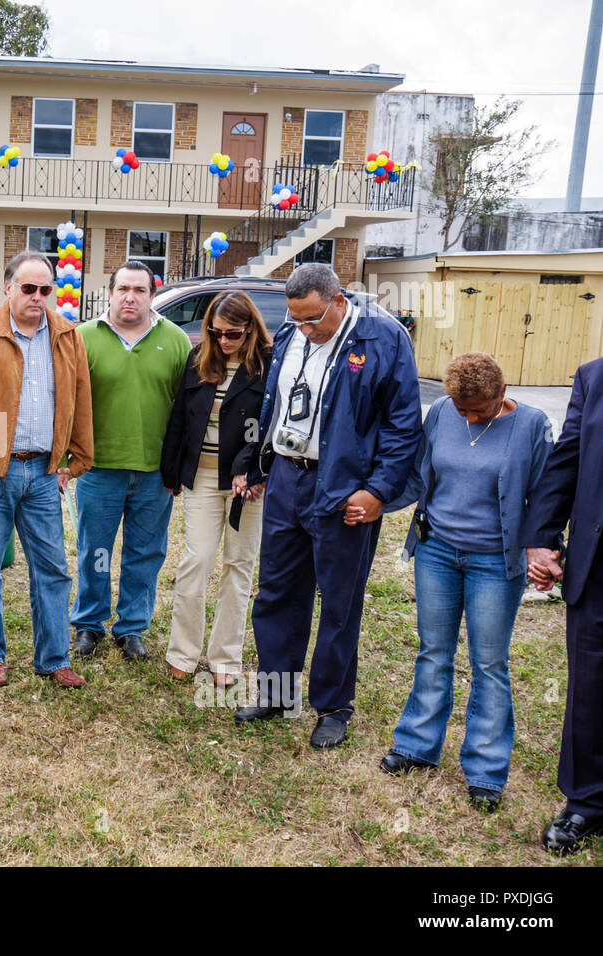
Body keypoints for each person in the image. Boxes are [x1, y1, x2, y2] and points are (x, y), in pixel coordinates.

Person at [236, 263, 420, 749]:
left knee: (339, 601)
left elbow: (403, 427)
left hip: (343, 489)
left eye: (313, 319)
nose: (304, 329)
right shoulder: (293, 331)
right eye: (295, 320)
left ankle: (334, 706)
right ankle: (277, 693)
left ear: (339, 301)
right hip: (286, 479)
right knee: (277, 591)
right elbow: (273, 402)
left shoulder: (384, 339)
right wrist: (260, 465)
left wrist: (377, 491)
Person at [381, 353, 551, 812]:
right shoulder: (440, 412)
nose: (470, 416)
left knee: (489, 663)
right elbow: (418, 475)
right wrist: (375, 501)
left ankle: (486, 770)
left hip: (495, 561)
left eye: (479, 408)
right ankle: (417, 745)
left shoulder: (532, 426)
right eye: (462, 409)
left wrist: (545, 549)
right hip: (436, 551)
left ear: (502, 393)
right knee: (433, 651)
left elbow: (545, 497)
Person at [0, 252, 93, 689]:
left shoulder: (67, 335)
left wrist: (72, 462)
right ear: (8, 287)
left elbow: (80, 398)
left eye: (45, 290)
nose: (37, 297)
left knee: (53, 569)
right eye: (28, 288)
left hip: (42, 472)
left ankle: (54, 658)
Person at [70, 261, 190, 663]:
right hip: (97, 468)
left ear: (151, 296)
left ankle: (132, 628)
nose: (130, 297)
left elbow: (185, 410)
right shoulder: (83, 337)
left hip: (155, 473)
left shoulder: (174, 340)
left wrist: (178, 468)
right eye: (123, 289)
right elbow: (66, 402)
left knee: (145, 552)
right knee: (94, 550)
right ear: (110, 292)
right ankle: (89, 623)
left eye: (140, 290)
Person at [161, 290, 272, 686]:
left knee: (238, 567)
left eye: (234, 334)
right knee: (197, 560)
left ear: (251, 330)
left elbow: (269, 429)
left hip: (248, 483)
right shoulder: (199, 361)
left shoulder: (268, 367)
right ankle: (183, 651)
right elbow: (179, 418)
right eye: (216, 332)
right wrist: (171, 472)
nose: (224, 341)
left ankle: (225, 657)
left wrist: (253, 471)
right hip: (203, 477)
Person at [522, 355, 603, 854]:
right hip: (596, 565)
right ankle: (586, 802)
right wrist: (541, 537)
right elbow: (568, 458)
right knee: (590, 684)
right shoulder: (593, 377)